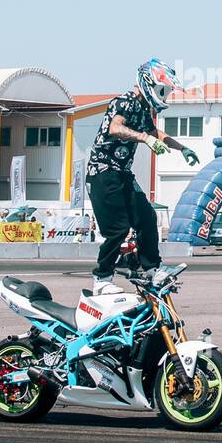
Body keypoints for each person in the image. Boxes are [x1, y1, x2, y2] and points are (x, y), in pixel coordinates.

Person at [87, 58, 199, 293]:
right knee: (117, 229)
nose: (164, 95)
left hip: (123, 173)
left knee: (146, 218)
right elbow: (115, 128)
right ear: (148, 83)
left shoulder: (143, 108)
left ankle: (152, 269)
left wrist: (182, 148)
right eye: (163, 90)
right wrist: (145, 139)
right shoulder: (124, 101)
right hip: (103, 172)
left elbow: (154, 131)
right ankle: (102, 279)